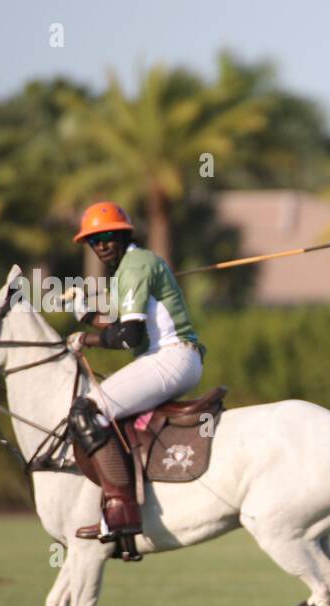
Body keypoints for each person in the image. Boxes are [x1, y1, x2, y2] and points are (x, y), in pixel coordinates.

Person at [66, 201, 205, 548]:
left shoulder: (136, 266)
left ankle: (120, 511)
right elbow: (119, 325)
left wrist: (86, 340)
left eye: (109, 236)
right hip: (169, 359)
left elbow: (130, 337)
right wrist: (84, 315)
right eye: (94, 241)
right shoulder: (132, 267)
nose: (101, 245)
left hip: (170, 358)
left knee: (87, 410)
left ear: (124, 234)